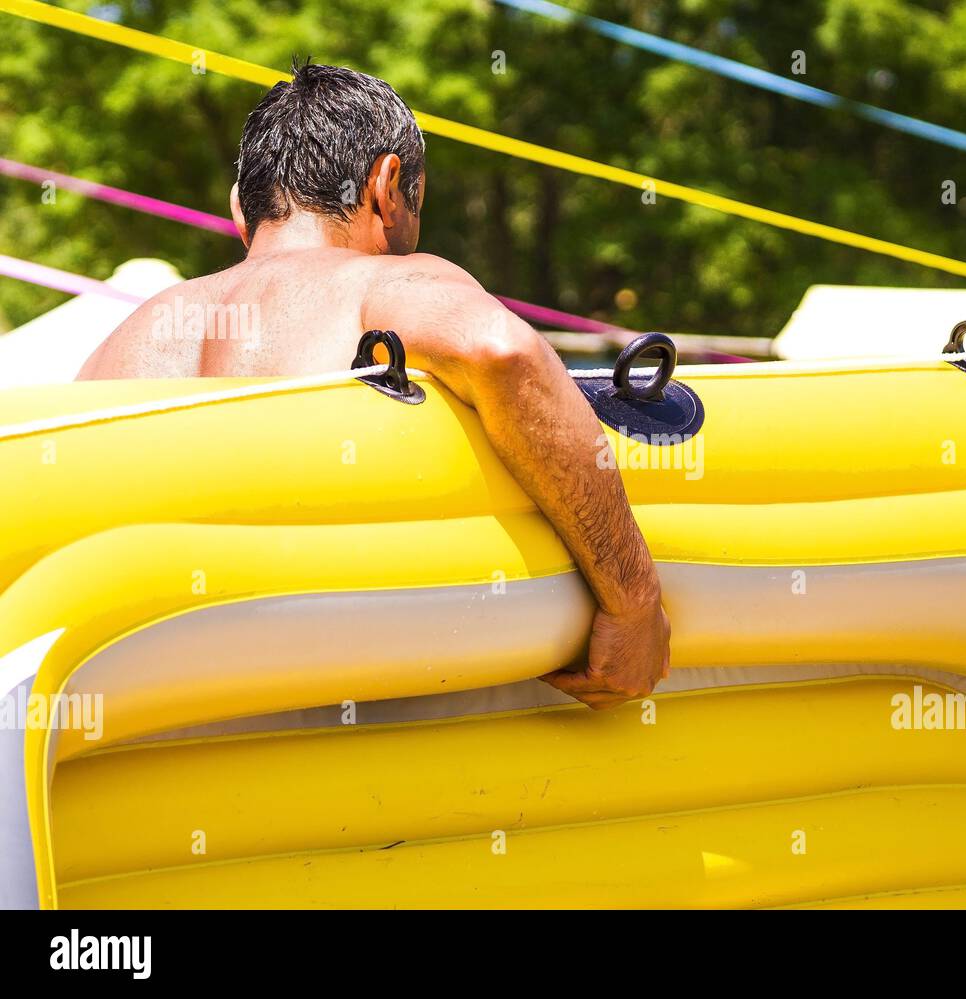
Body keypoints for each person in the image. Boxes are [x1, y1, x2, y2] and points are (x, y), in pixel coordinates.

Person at [79, 61, 670, 709]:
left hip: (155, 730)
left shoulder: (132, 334)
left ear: (238, 210)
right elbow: (503, 353)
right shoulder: (379, 286)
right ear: (388, 185)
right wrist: (634, 600)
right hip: (343, 727)